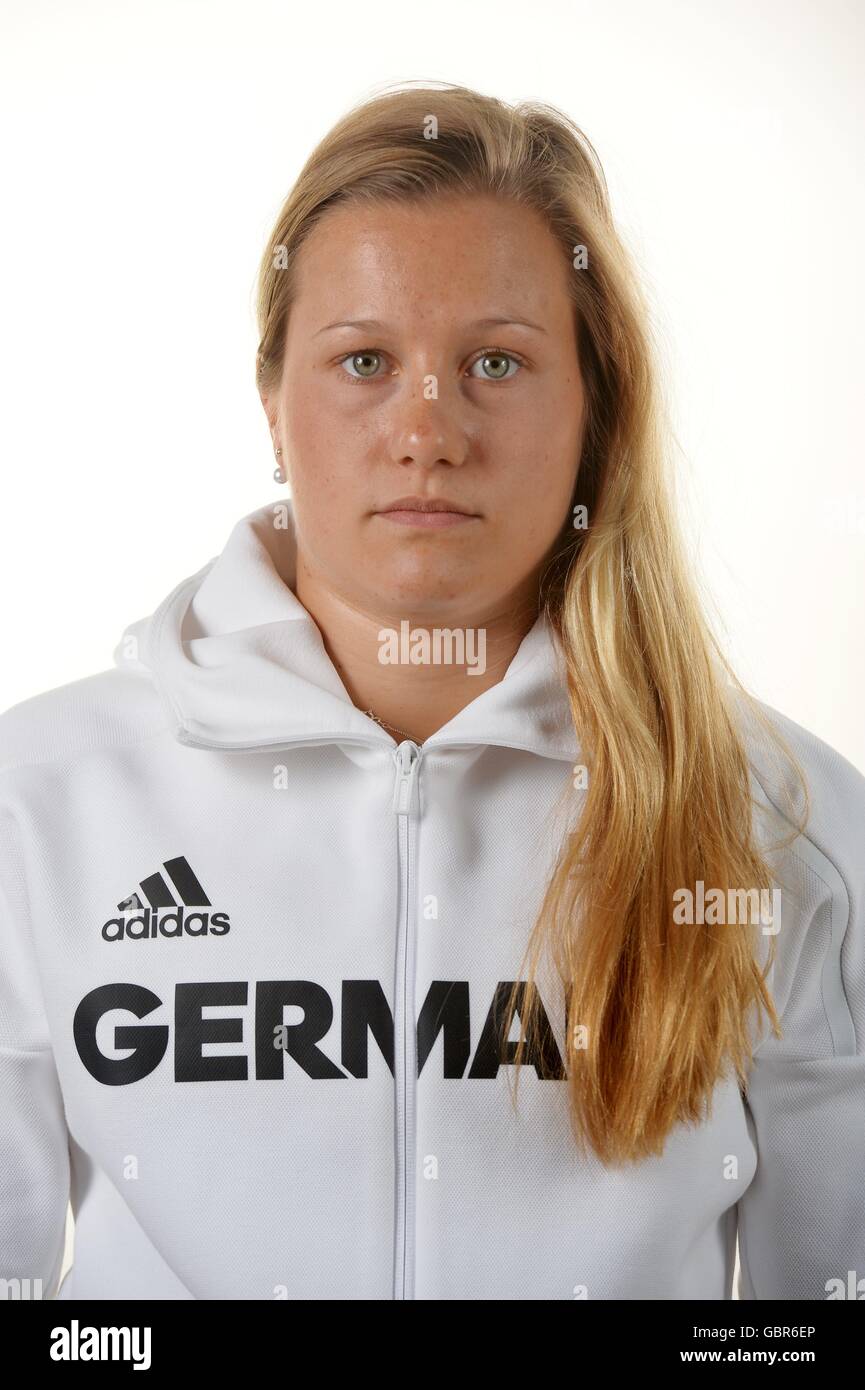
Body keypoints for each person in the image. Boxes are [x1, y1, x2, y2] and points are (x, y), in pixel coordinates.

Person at [1, 82, 863, 1302]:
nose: (427, 430)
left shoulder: (780, 825)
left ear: (593, 410)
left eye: (496, 363)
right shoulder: (39, 805)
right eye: (363, 359)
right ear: (271, 405)